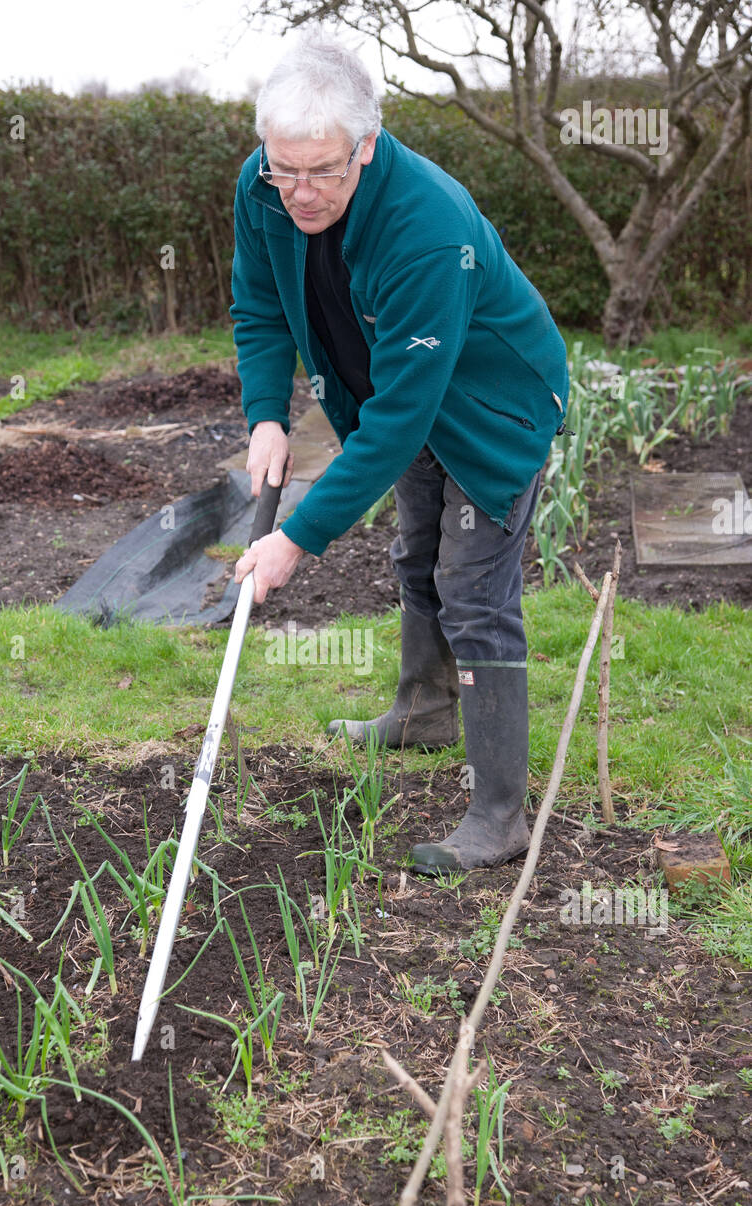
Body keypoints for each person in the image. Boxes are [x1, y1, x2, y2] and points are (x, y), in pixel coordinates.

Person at [231, 32, 570, 873]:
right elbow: (260, 303)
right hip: (392, 393)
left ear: (368, 145)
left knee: (472, 588)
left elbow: (402, 424)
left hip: (493, 407)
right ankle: (421, 711)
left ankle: (499, 814)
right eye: (285, 168)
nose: (299, 193)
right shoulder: (263, 186)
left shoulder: (426, 225)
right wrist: (266, 415)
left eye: (323, 171)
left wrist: (294, 540)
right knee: (418, 551)